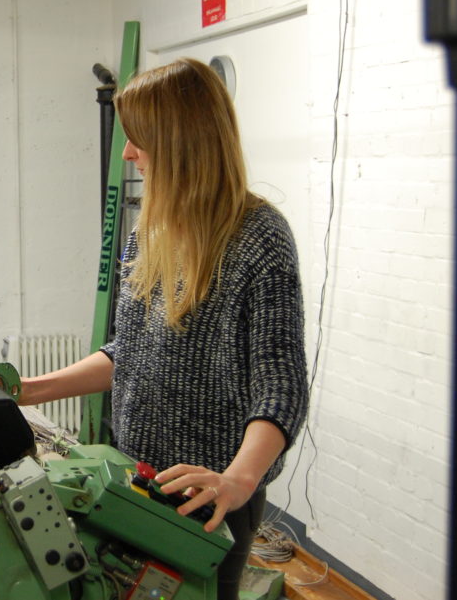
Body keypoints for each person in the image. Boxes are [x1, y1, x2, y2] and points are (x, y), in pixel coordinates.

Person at [19, 58, 309, 600]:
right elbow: (126, 353)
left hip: (210, 496)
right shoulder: (147, 234)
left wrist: (237, 480)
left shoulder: (259, 238)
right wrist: (26, 390)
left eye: (139, 140)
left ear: (180, 143)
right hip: (134, 475)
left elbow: (281, 385)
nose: (128, 153)